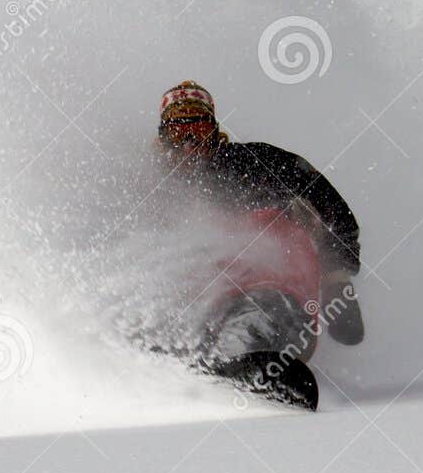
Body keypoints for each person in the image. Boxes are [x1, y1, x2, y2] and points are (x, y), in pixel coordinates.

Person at [156, 80, 364, 346]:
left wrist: (337, 274)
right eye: (177, 135)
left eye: (199, 131)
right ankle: (204, 349)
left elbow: (329, 203)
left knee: (269, 233)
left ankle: (254, 338)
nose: (189, 146)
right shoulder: (154, 187)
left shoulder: (254, 163)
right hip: (198, 306)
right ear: (163, 141)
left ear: (215, 133)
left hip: (274, 290)